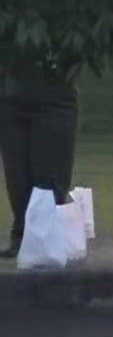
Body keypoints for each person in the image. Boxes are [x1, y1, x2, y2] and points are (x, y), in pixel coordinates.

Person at [0, 52, 78, 259]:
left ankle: (45, 242)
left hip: (55, 101)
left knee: (49, 180)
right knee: (17, 178)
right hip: (11, 98)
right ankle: (22, 238)